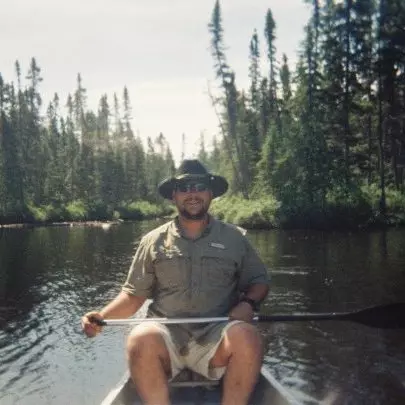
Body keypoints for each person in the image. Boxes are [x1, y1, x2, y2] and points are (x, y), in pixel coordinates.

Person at [81, 159, 270, 405]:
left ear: (210, 193)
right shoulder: (152, 240)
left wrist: (248, 303)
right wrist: (101, 317)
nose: (192, 194)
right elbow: (133, 295)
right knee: (140, 337)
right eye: (184, 188)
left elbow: (259, 282)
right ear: (174, 196)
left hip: (217, 339)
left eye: (199, 186)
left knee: (247, 336)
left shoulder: (236, 238)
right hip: (166, 340)